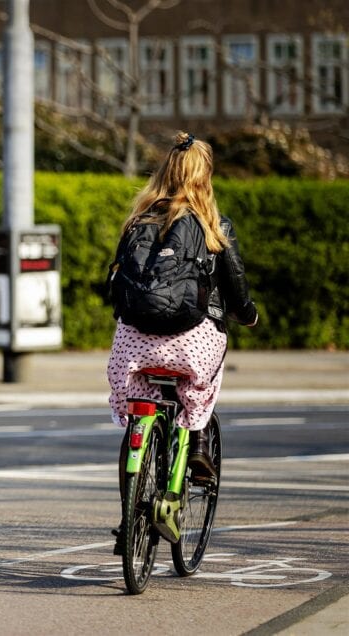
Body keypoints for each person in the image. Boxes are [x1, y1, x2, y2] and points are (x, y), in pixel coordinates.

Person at [106, 132, 257, 550]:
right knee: (202, 384)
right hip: (192, 341)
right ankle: (199, 446)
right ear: (204, 176)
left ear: (164, 172)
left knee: (141, 416)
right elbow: (236, 283)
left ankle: (127, 517)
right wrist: (248, 314)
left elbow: (116, 280)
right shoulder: (214, 225)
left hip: (134, 343)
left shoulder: (138, 220)